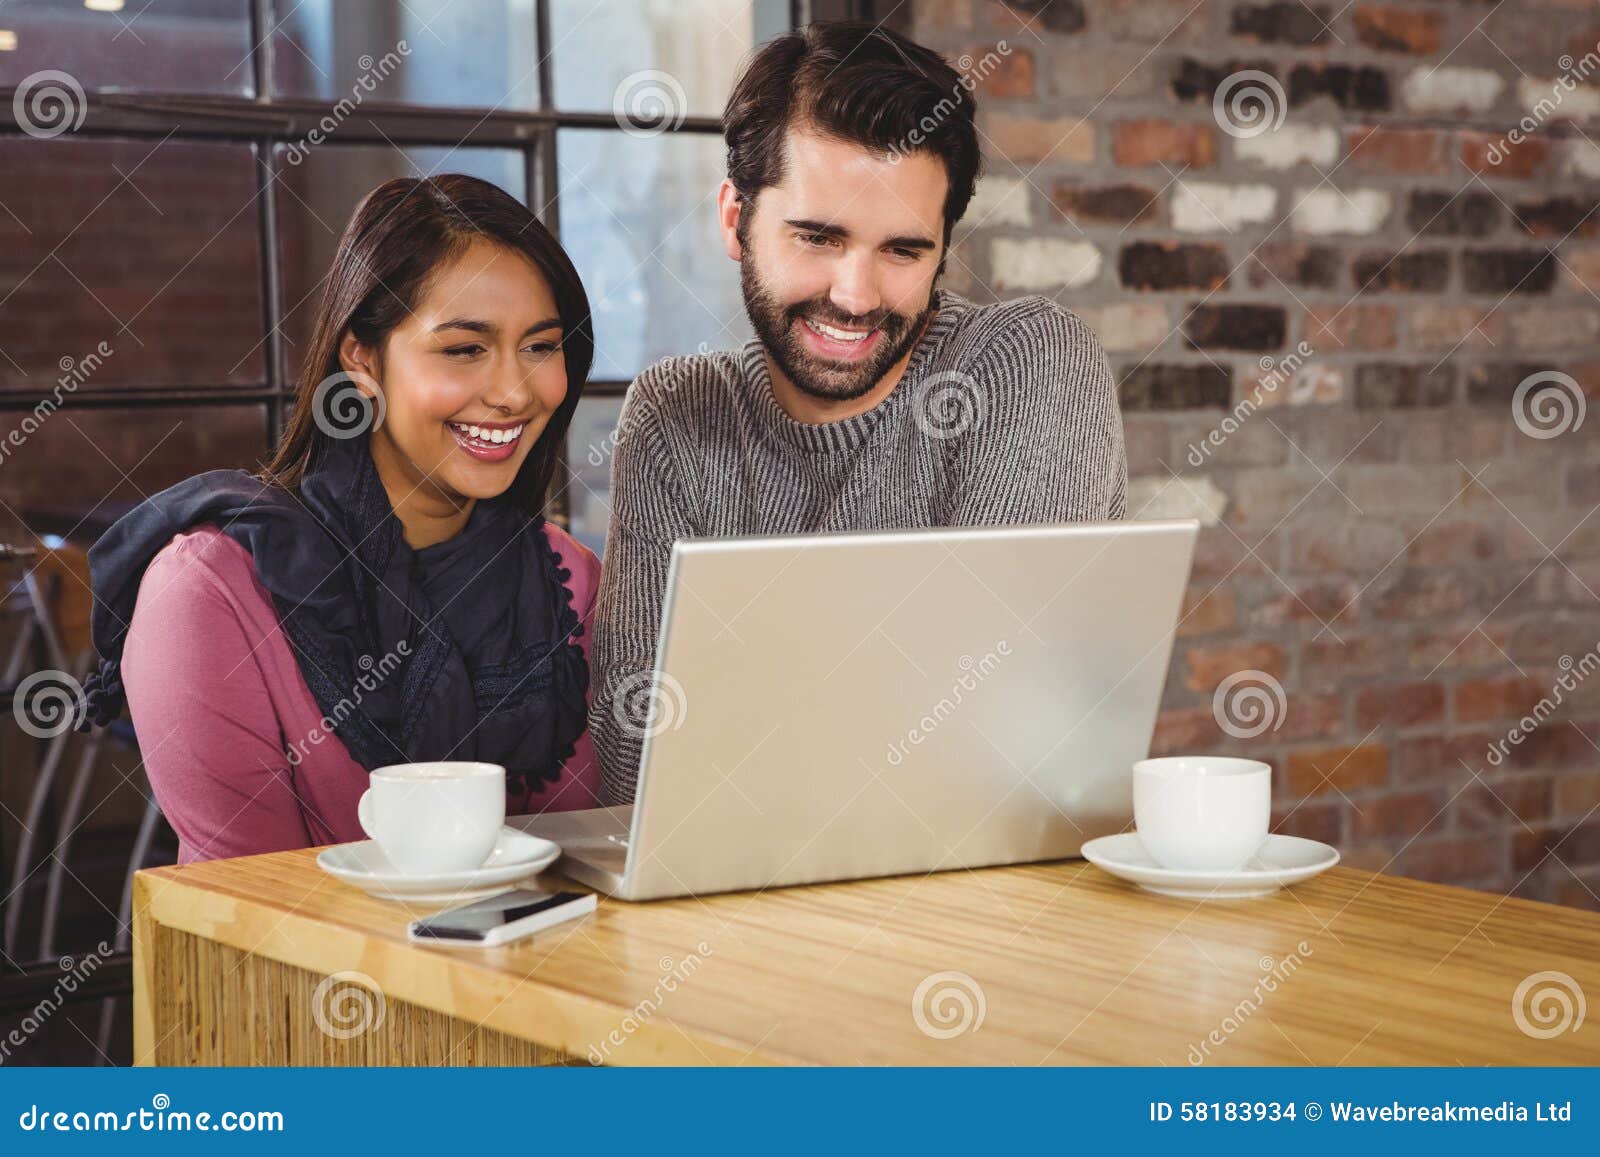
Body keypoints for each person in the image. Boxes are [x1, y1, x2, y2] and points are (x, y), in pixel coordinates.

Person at [588, 22, 1129, 804]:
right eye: (818, 236)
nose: (855, 295)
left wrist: (748, 714)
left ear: (943, 249)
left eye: (902, 251)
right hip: (737, 916)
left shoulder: (1024, 362)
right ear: (735, 219)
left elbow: (999, 749)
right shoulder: (675, 416)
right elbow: (639, 768)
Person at [81, 174, 602, 864]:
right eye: (463, 348)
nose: (512, 392)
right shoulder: (207, 596)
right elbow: (255, 916)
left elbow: (587, 865)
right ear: (362, 357)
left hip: (538, 968)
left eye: (540, 346)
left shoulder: (566, 576)